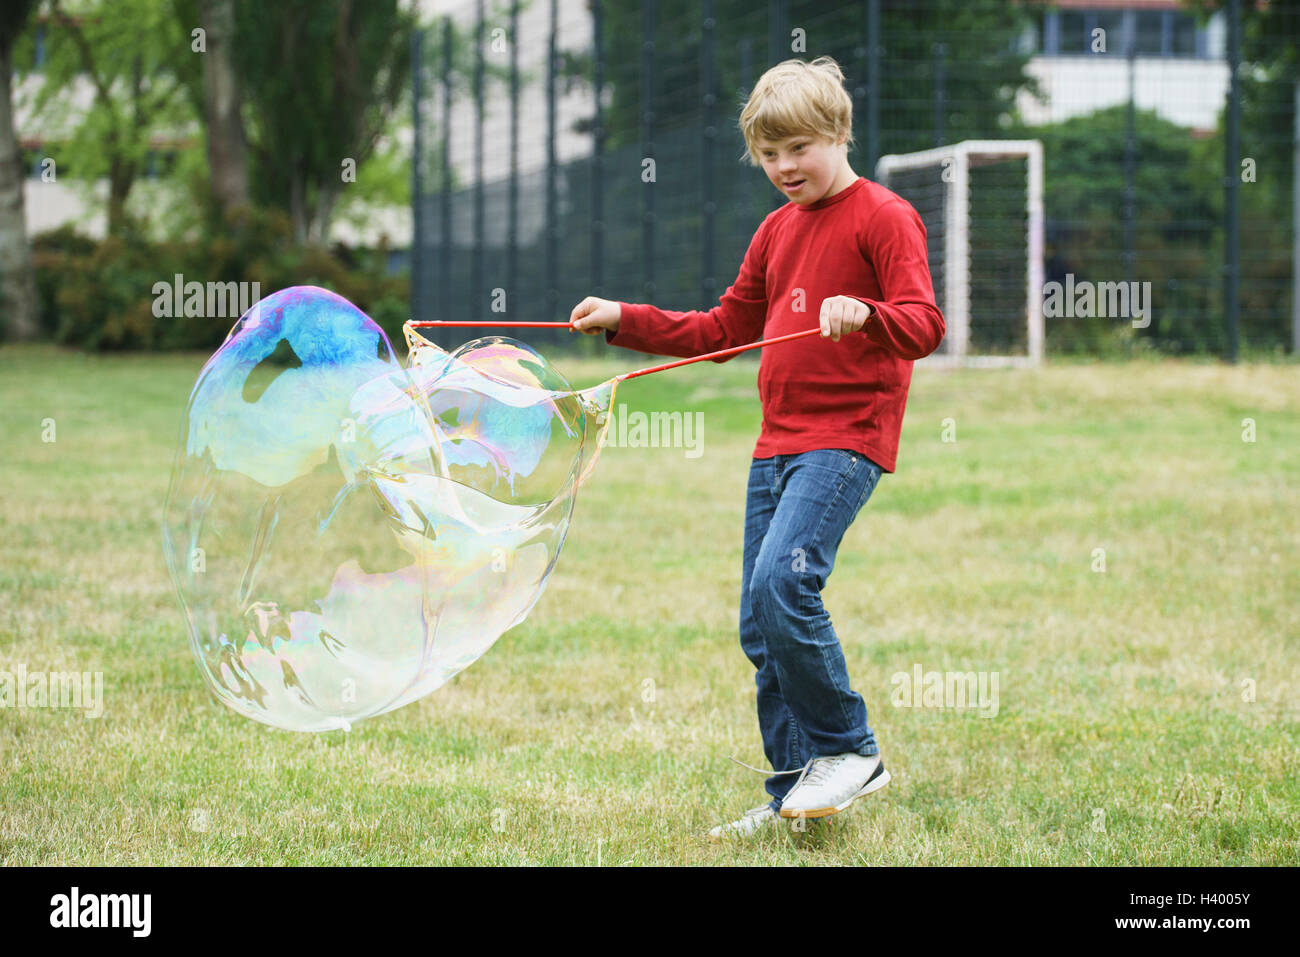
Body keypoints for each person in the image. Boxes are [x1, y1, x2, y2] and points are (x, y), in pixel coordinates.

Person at [569, 56, 945, 841]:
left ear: (839, 133)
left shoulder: (884, 216)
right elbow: (719, 332)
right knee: (757, 622)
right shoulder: (776, 231)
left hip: (845, 442)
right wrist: (622, 317)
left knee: (784, 582)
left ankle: (849, 750)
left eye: (798, 148)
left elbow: (925, 324)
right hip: (776, 445)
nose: (782, 167)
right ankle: (795, 792)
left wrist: (868, 313)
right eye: (768, 154)